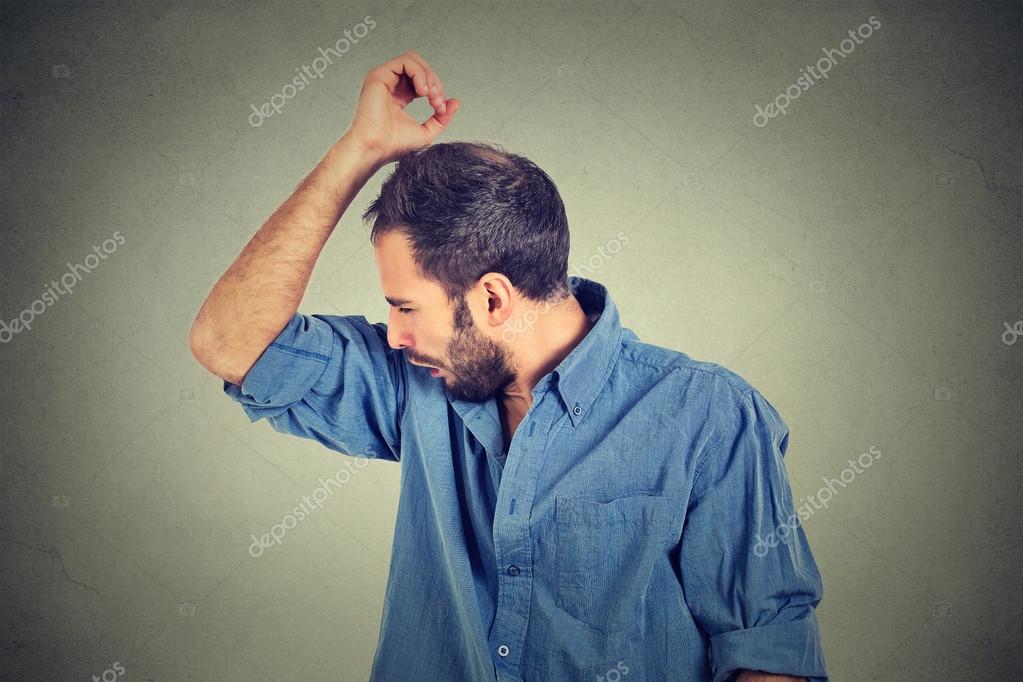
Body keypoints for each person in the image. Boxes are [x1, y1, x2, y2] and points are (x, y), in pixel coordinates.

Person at [189, 49, 828, 682]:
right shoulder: (414, 384)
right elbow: (228, 342)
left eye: (406, 307)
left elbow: (768, 656)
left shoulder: (710, 415)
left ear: (493, 299)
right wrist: (359, 151)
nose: (395, 335)